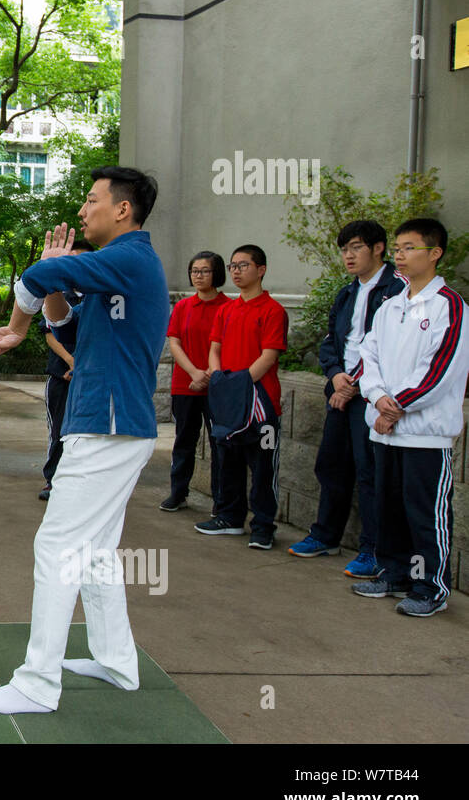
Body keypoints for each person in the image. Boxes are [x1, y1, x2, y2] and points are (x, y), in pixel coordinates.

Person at [0, 166, 169, 715]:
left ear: (122, 209)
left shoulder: (129, 258)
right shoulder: (121, 269)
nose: (83, 211)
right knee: (96, 553)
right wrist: (56, 282)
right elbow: (66, 320)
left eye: (92, 200)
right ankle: (116, 661)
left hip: (107, 428)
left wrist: (18, 325)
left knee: (55, 547)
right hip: (109, 426)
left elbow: (30, 280)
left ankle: (36, 683)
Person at [352, 218, 468, 617]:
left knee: (425, 514)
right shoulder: (390, 306)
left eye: (409, 247)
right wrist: (378, 398)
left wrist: (395, 407)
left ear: (435, 253)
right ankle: (395, 572)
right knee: (390, 510)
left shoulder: (448, 306)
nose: (399, 254)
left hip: (423, 435)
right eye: (397, 247)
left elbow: (440, 369)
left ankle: (430, 587)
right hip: (386, 431)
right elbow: (369, 357)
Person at [288, 221, 403, 575]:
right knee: (331, 465)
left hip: (373, 397)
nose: (348, 255)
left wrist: (353, 383)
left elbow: (392, 347)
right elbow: (330, 343)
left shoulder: (397, 290)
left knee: (370, 474)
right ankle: (325, 536)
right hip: (341, 391)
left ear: (379, 248)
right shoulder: (347, 292)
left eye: (355, 247)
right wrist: (336, 375)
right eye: (344, 249)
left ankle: (373, 550)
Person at [194, 245, 288, 549]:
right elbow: (215, 349)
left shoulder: (273, 311)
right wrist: (219, 378)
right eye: (233, 265)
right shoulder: (226, 310)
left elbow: (269, 355)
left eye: (243, 265)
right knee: (228, 462)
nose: (235, 270)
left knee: (262, 467)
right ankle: (230, 518)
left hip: (261, 404)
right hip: (229, 400)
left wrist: (241, 383)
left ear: (260, 270)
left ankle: (263, 526)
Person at [158, 250, 230, 512]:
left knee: (219, 443)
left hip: (217, 384)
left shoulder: (229, 307)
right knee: (184, 441)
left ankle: (220, 501)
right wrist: (194, 373)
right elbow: (174, 342)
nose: (198, 276)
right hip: (185, 383)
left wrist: (210, 374)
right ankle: (178, 492)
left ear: (217, 273)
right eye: (194, 271)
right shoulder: (183, 307)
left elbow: (226, 346)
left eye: (205, 271)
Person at [39, 240, 92, 502]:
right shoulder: (57, 295)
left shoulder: (98, 295)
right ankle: (52, 480)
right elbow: (50, 334)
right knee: (58, 431)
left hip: (89, 380)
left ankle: (81, 483)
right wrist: (72, 362)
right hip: (61, 376)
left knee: (86, 434)